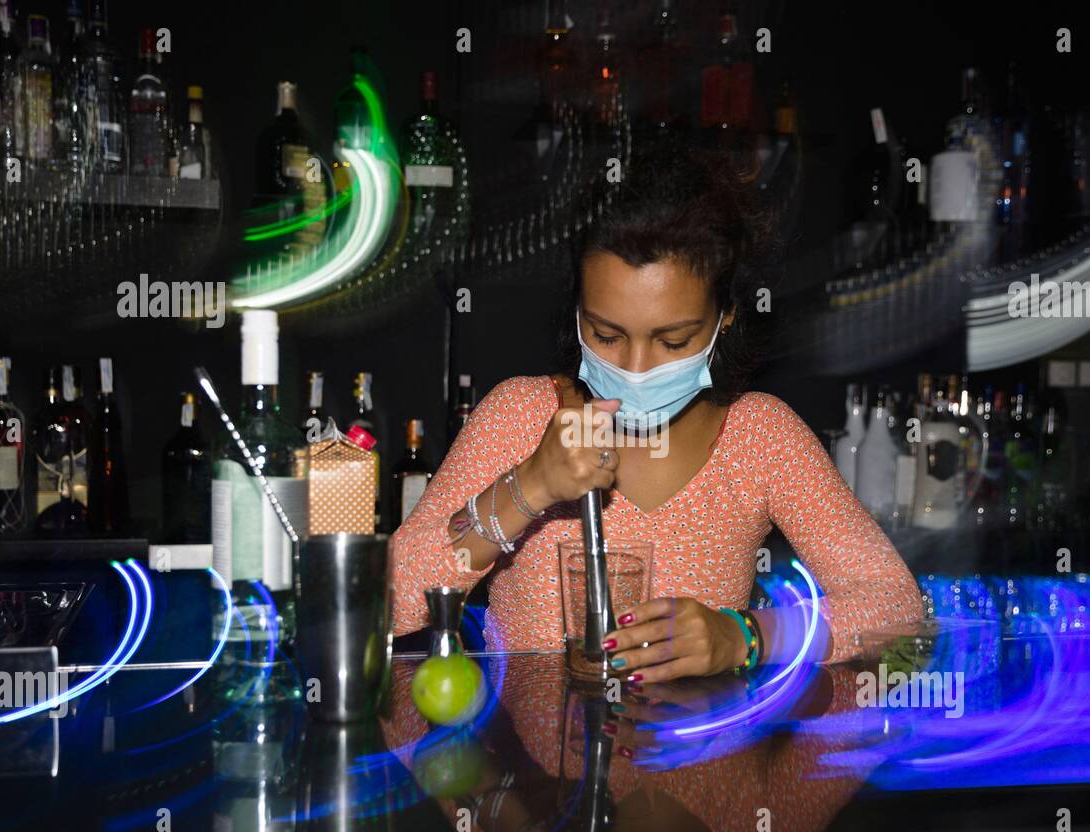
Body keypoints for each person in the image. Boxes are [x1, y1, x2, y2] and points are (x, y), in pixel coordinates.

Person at [388, 136, 922, 682]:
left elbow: (900, 612)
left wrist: (745, 635)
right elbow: (390, 603)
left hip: (706, 760)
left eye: (672, 341)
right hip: (544, 764)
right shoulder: (521, 417)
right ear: (577, 312)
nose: (637, 368)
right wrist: (528, 487)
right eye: (607, 334)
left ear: (727, 317)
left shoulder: (760, 436)